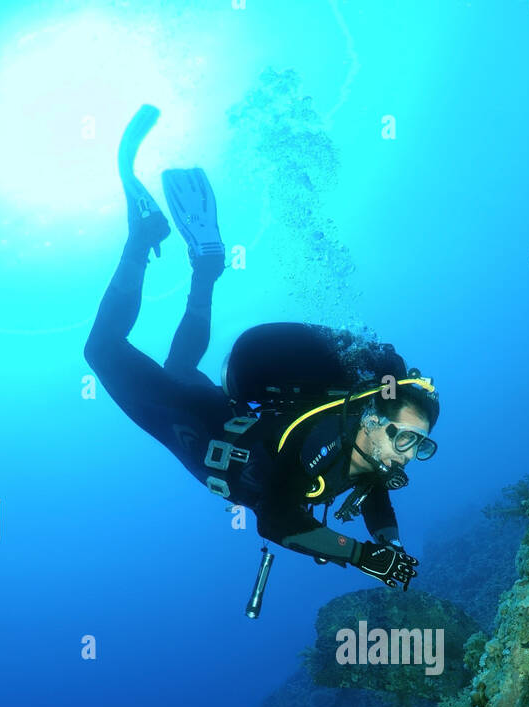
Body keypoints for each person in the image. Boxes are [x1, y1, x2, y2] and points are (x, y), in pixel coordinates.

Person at [83, 106, 439, 591]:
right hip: (193, 425)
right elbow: (276, 521)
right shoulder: (324, 443)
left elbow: (373, 491)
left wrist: (390, 545)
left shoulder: (364, 446)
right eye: (405, 438)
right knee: (101, 350)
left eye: (419, 444)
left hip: (221, 415)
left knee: (180, 363)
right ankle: (142, 238)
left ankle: (204, 272)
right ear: (373, 418)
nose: (410, 455)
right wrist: (361, 555)